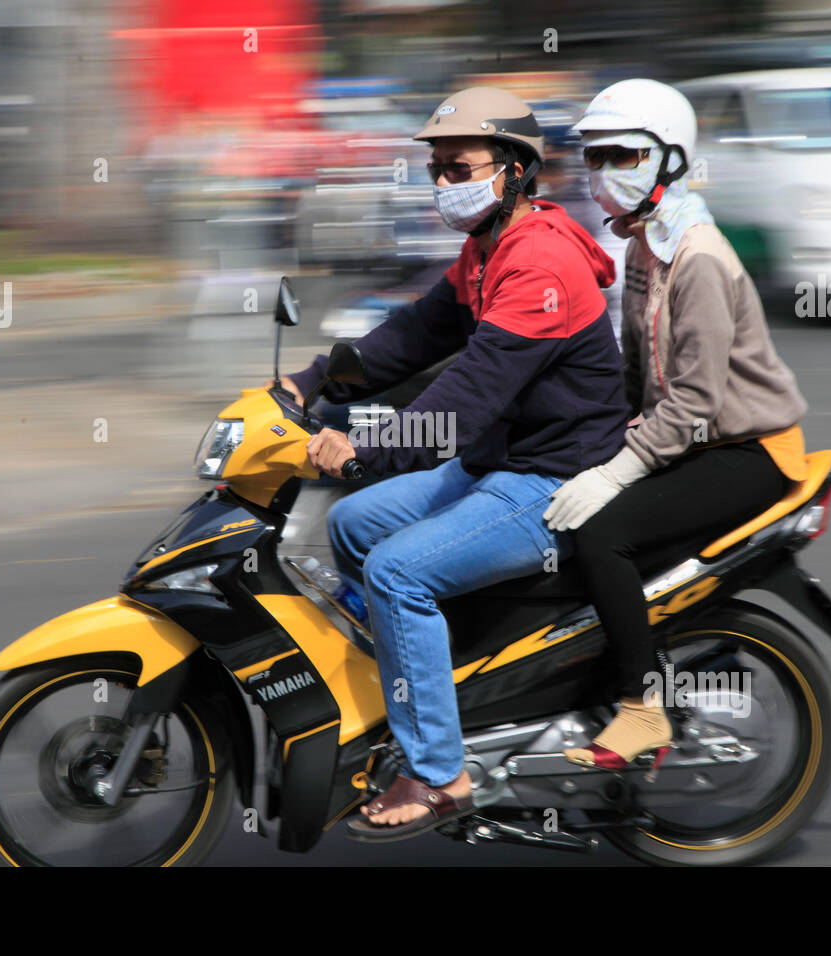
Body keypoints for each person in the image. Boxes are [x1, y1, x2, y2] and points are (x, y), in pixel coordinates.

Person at [267, 87, 632, 839]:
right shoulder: (487, 250)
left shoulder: (542, 265)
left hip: (553, 480)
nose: (442, 184)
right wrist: (311, 380)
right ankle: (414, 686)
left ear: (514, 171)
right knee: (353, 526)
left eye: (456, 167)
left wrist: (365, 448)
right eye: (434, 170)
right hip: (501, 461)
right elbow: (408, 337)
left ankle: (439, 772)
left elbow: (466, 398)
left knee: (397, 570)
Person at [543, 79, 811, 771]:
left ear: (669, 161)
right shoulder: (645, 247)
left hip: (748, 450)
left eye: (621, 157)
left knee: (602, 535)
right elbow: (637, 374)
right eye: (594, 158)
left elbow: (693, 402)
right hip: (688, 437)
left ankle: (641, 707)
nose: (602, 174)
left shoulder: (699, 259)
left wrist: (617, 469)